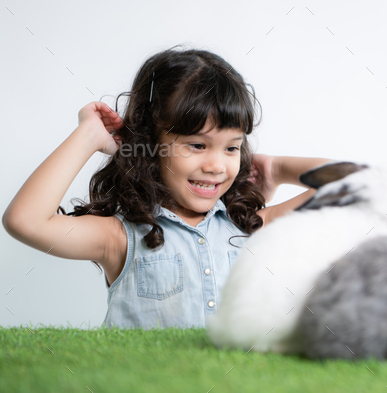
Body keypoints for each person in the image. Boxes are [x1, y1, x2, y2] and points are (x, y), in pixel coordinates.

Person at [2, 45, 334, 329]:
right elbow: (25, 221)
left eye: (232, 147)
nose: (217, 166)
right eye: (197, 145)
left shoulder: (248, 227)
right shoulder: (120, 237)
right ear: (151, 143)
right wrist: (88, 136)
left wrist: (277, 169)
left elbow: (352, 184)